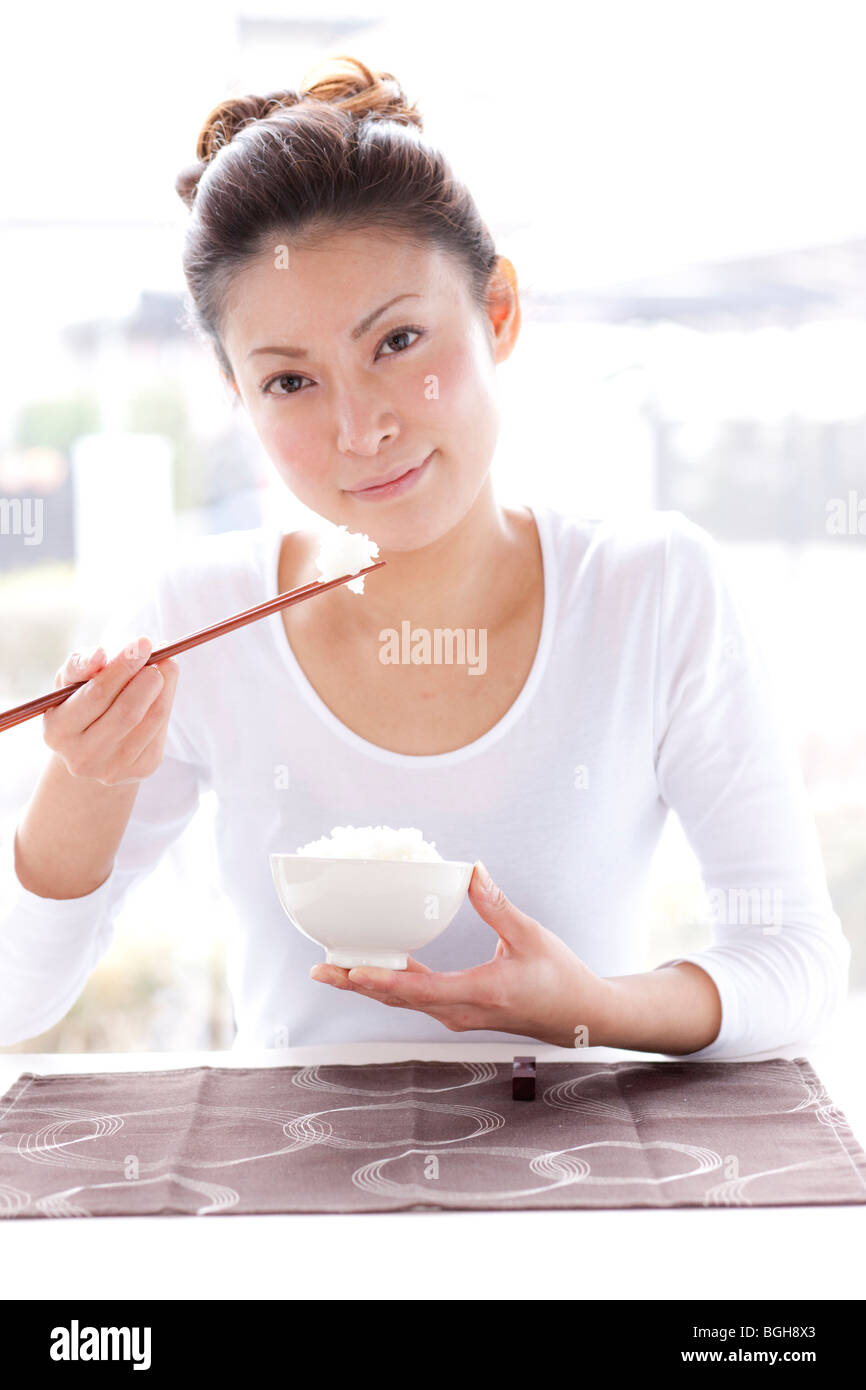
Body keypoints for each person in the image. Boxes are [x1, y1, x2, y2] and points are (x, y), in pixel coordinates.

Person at [1, 56, 850, 1056]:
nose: (359, 428)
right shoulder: (197, 613)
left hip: (576, 1190)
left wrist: (587, 1003)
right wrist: (87, 782)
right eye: (287, 382)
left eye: (397, 341)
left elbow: (794, 962)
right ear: (235, 394)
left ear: (498, 311)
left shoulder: (651, 590)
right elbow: (13, 1006)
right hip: (283, 1204)